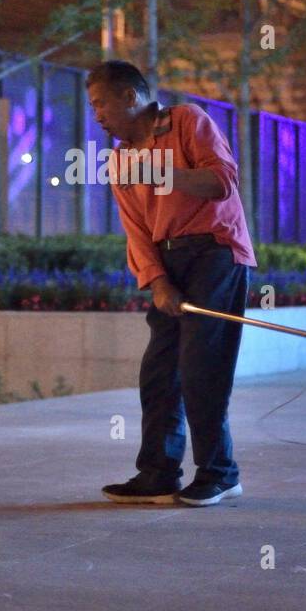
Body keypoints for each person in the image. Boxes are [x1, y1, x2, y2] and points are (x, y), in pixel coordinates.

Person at [85, 61, 257, 507]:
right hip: (168, 261)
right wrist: (157, 281)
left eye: (101, 103)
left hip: (215, 253)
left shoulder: (187, 121)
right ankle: (158, 473)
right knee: (159, 370)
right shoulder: (120, 159)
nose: (97, 115)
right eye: (92, 107)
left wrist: (161, 173)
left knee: (202, 365)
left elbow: (222, 182)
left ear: (130, 97)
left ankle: (220, 472)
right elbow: (136, 232)